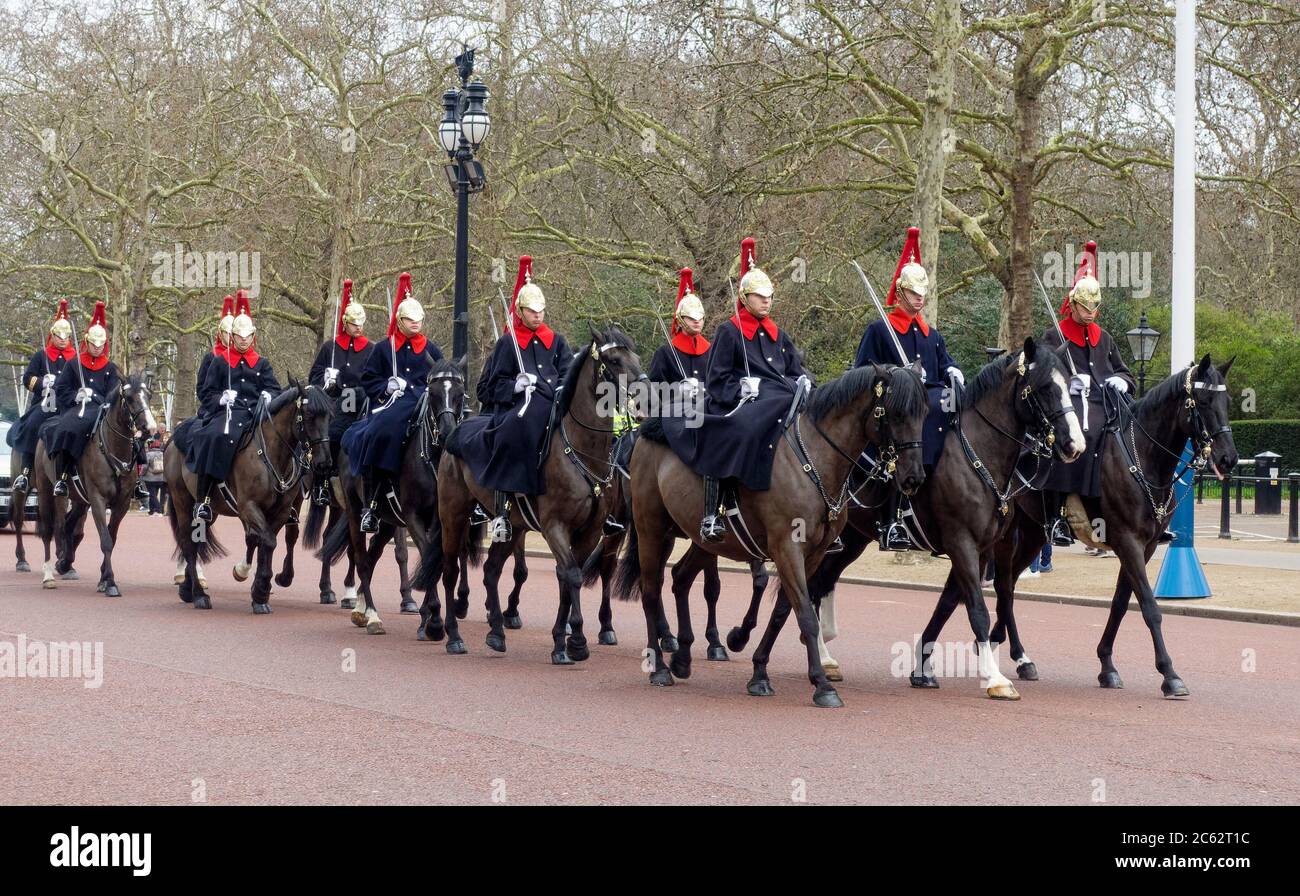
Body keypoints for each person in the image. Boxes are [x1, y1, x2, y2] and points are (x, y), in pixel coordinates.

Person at [658, 237, 810, 542]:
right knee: (734, 430)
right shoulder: (730, 331)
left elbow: (795, 369)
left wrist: (803, 380)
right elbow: (717, 381)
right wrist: (739, 388)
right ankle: (714, 511)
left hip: (780, 398)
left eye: (769, 296)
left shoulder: (778, 333)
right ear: (745, 297)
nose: (767, 301)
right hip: (742, 402)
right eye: (759, 296)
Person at [853, 226, 964, 550]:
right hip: (895, 407)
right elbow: (862, 373)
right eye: (914, 293)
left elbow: (945, 362)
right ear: (899, 293)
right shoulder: (880, 330)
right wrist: (896, 376)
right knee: (915, 424)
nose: (920, 298)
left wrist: (954, 370)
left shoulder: (932, 334)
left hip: (930, 399)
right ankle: (893, 517)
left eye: (923, 293)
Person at [449, 256, 573, 542]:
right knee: (514, 431)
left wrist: (559, 387)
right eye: (532, 311)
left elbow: (568, 373)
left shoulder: (557, 341)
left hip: (551, 402)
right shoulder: (509, 343)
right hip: (518, 408)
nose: (538, 315)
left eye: (541, 310)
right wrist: (515, 386)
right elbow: (489, 388)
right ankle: (503, 508)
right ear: (520, 310)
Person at [1039, 240, 1138, 546]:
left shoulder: (1105, 338)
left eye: (1095, 307)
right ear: (1073, 304)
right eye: (1085, 306)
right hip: (1069, 405)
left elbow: (1124, 371)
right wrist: (1070, 383)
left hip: (1106, 403)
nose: (1091, 312)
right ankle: (1058, 514)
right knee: (1082, 433)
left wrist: (1121, 380)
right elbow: (1045, 374)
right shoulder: (1055, 335)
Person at [341, 272, 443, 534]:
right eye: (410, 319)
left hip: (423, 402)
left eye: (418, 319)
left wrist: (418, 388)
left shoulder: (431, 349)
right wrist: (386, 386)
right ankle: (372, 503)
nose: (415, 323)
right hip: (393, 404)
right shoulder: (385, 349)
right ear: (399, 320)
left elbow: (440, 376)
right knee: (379, 432)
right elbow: (369, 379)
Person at [182, 291, 281, 523]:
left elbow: (275, 388)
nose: (244, 340)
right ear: (233, 337)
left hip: (256, 414)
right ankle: (204, 500)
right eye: (239, 336)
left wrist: (269, 396)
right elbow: (206, 393)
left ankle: (287, 498)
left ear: (253, 336)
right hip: (227, 414)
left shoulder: (262, 363)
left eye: (248, 336)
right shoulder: (219, 362)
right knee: (212, 437)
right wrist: (221, 399)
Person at [44, 302, 122, 497]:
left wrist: (95, 395)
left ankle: (135, 483)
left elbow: (113, 393)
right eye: (93, 344)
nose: (97, 348)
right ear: (87, 342)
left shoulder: (111, 368)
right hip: (78, 408)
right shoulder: (74, 364)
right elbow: (61, 389)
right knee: (67, 428)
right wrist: (76, 395)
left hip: (102, 410)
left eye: (100, 345)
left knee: (131, 436)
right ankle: (62, 477)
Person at [308, 278, 371, 508]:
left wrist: (353, 388)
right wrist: (326, 378)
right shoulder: (330, 348)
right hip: (334, 405)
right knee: (329, 435)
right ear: (345, 323)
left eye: (361, 323)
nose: (359, 327)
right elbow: (312, 378)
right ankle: (322, 483)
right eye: (355, 323)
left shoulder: (370, 349)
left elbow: (372, 379)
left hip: (360, 404)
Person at [8, 299, 77, 493]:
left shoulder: (76, 359)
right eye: (59, 336)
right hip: (45, 404)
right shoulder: (41, 356)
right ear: (52, 335)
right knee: (31, 425)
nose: (63, 339)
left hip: (68, 405)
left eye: (66, 336)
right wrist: (41, 382)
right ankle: (26, 471)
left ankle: (73, 475)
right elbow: (27, 379)